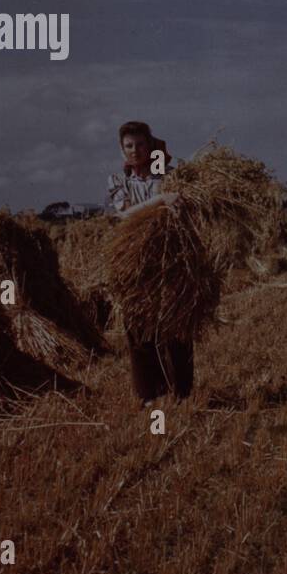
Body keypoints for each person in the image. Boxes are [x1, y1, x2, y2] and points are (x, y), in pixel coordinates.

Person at [106, 121, 194, 405]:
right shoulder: (118, 181)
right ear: (122, 150)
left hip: (169, 259)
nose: (135, 151)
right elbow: (125, 216)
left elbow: (183, 208)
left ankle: (181, 394)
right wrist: (161, 202)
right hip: (134, 264)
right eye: (129, 146)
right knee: (138, 327)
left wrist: (168, 197)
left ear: (150, 144)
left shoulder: (169, 177)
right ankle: (149, 395)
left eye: (141, 144)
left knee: (175, 326)